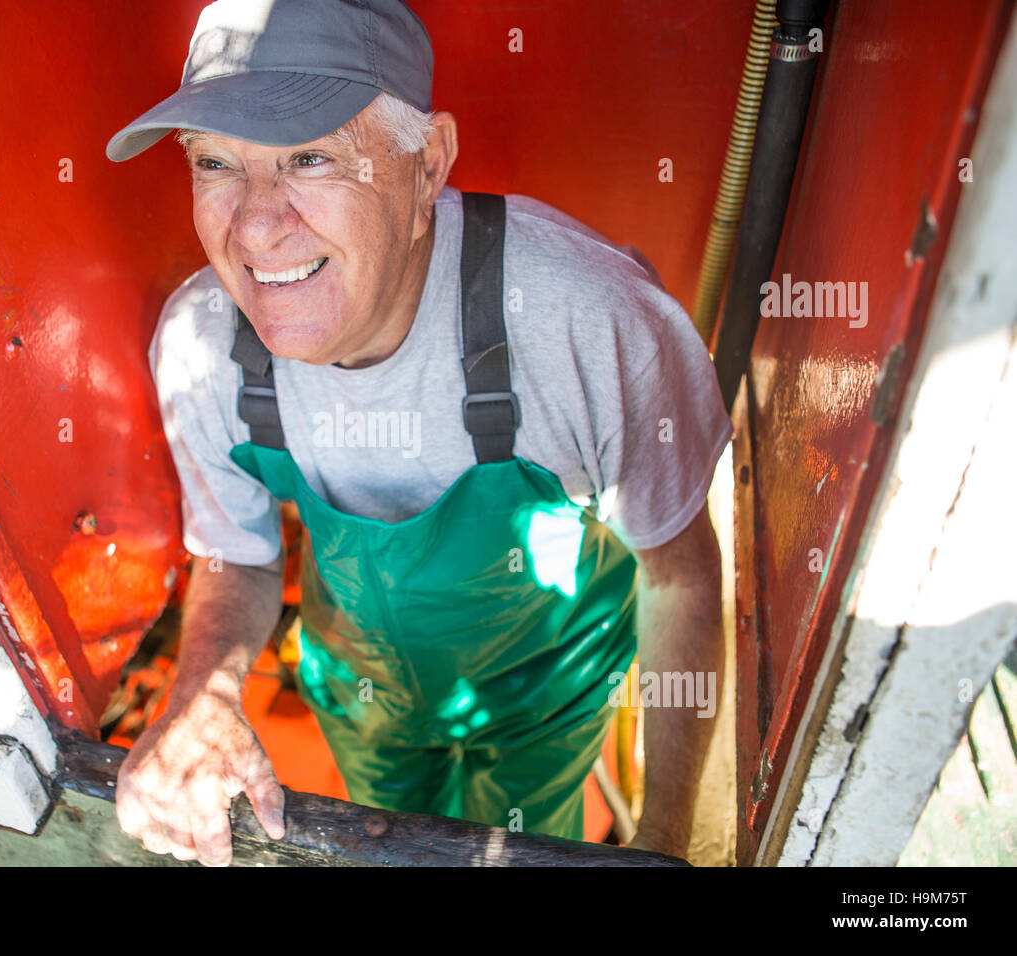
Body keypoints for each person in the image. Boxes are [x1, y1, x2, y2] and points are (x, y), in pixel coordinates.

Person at [106, 0, 729, 867]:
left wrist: (663, 839)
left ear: (426, 164)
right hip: (363, 698)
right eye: (215, 163)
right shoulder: (200, 344)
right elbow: (238, 557)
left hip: (546, 700)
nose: (252, 226)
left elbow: (681, 582)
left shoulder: (588, 323)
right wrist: (202, 693)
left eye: (310, 157)